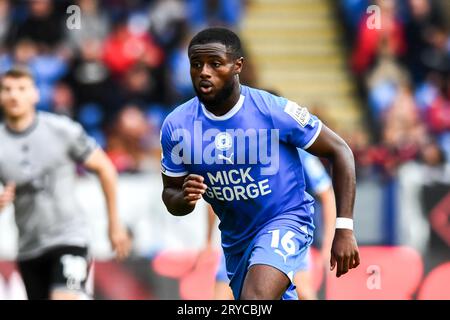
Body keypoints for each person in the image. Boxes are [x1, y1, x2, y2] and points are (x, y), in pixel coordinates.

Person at [160, 27, 359, 300]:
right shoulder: (177, 126)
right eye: (196, 64)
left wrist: (344, 229)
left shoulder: (273, 110)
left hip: (286, 219)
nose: (204, 71)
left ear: (237, 66)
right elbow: (170, 195)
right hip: (236, 239)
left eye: (215, 64)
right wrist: (184, 198)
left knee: (255, 300)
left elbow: (340, 151)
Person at [0, 67, 131, 300]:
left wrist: (114, 224)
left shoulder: (61, 130)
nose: (14, 96)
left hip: (69, 238)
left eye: (21, 89)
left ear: (35, 94)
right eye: (7, 89)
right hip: (28, 247)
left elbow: (105, 167)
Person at [208, 150, 336, 300]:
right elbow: (214, 196)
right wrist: (208, 240)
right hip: (240, 235)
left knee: (304, 293)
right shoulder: (231, 147)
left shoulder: (294, 145)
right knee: (222, 296)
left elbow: (326, 193)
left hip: (284, 230)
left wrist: (328, 244)